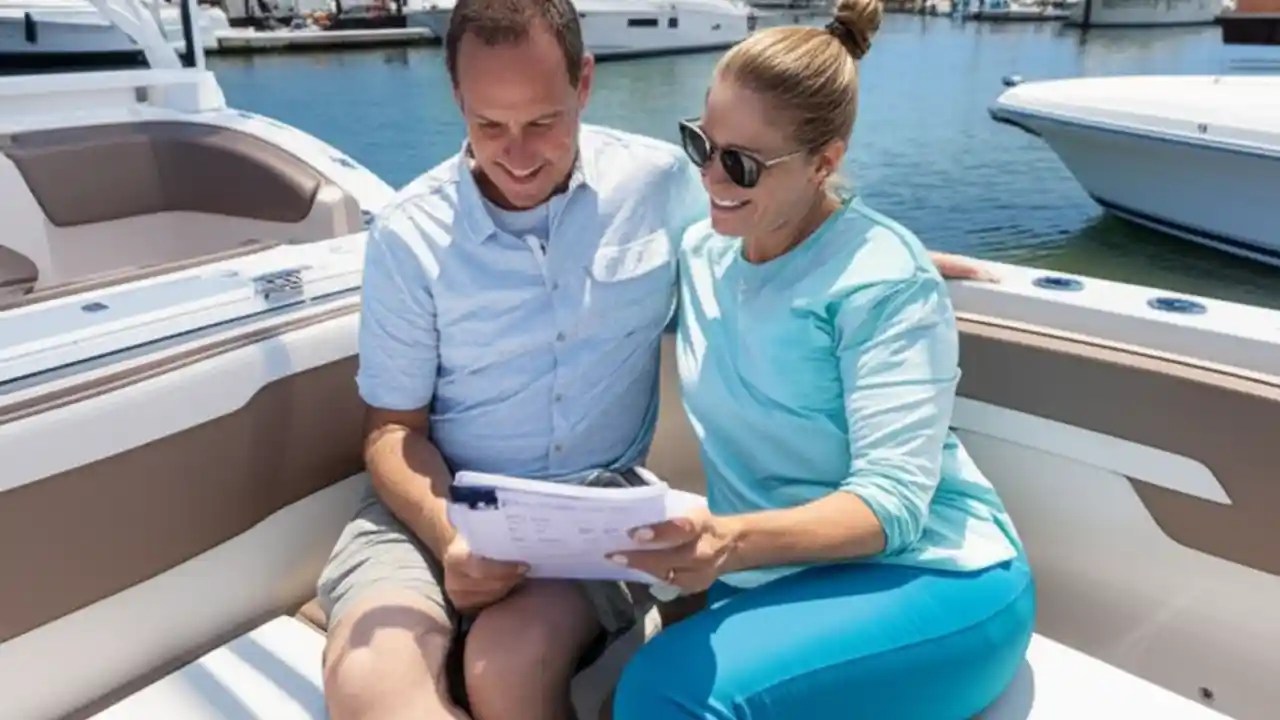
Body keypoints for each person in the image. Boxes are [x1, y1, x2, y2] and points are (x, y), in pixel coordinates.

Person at [314, 0, 999, 718]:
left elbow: (788, 208)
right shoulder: (406, 232)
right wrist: (453, 536)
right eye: (489, 125)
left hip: (588, 511)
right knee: (370, 681)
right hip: (435, 507)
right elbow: (392, 430)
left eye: (542, 122)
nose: (516, 154)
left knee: (503, 665)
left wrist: (877, 248)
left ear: (584, 83)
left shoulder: (667, 184)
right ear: (456, 97)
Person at [606, 2, 1035, 719]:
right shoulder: (704, 255)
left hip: (941, 578)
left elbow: (894, 507)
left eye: (739, 162)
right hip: (781, 577)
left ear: (824, 163)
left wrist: (729, 541)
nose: (712, 176)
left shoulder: (881, 280)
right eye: (700, 144)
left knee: (661, 697)